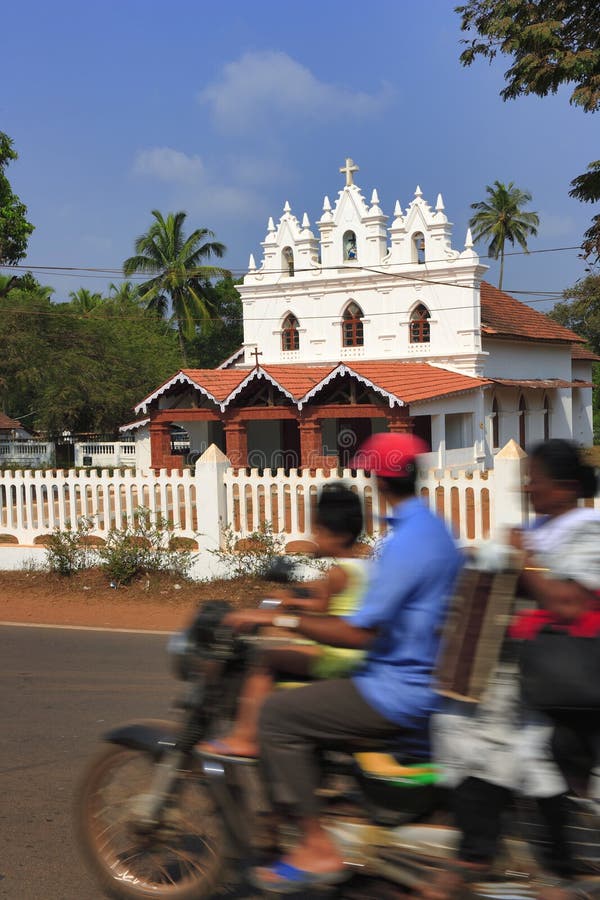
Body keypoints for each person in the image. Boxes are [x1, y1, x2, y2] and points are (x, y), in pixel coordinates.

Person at [220, 432, 463, 893]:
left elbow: (358, 633)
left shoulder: (406, 542)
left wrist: (287, 622)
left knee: (277, 715)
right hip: (416, 672)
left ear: (377, 480)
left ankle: (315, 845)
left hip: (397, 687)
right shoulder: (431, 529)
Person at [425, 438, 600, 900]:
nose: (527, 487)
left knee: (522, 750)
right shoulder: (542, 528)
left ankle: (526, 864)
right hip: (523, 674)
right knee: (468, 733)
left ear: (563, 488)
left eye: (535, 480)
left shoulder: (588, 532)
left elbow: (568, 602)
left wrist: (523, 559)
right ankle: (488, 855)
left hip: (564, 676)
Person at [199, 482, 368, 758]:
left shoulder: (336, 574)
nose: (313, 536)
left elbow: (320, 613)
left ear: (335, 536)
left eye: (318, 530)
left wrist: (277, 612)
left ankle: (245, 737)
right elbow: (326, 600)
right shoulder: (361, 568)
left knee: (266, 660)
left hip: (335, 656)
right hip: (355, 658)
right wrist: (292, 598)